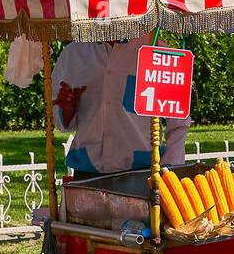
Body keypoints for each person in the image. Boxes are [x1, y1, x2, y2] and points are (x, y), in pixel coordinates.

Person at [51, 35, 191, 177]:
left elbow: (179, 120)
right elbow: (58, 117)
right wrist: (67, 111)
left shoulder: (158, 51)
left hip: (142, 170)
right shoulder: (73, 53)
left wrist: (170, 168)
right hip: (87, 169)